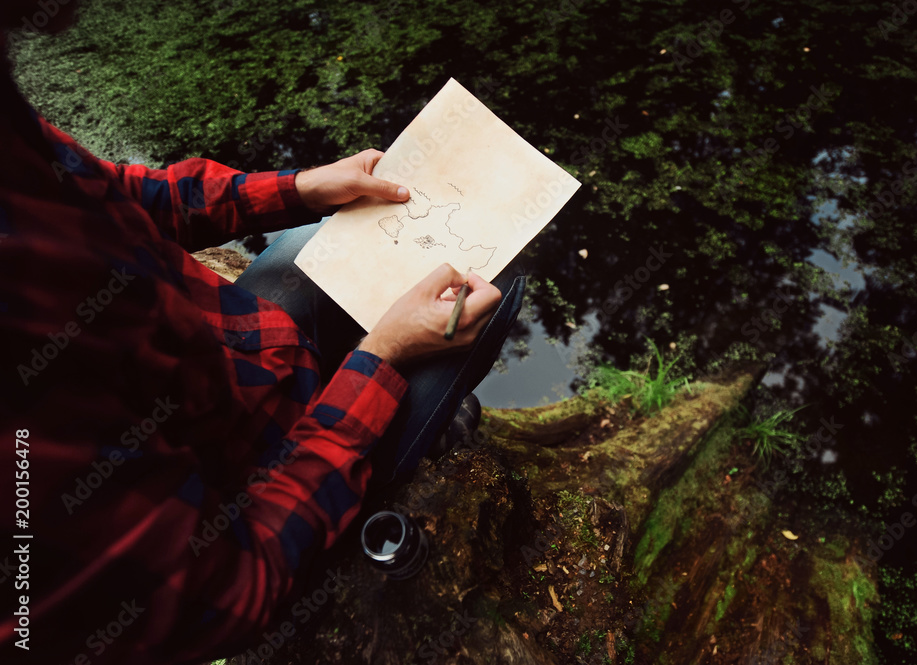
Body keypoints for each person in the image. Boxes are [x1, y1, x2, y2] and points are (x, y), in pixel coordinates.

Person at [0, 3, 525, 663]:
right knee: (497, 289)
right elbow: (222, 592)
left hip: (245, 359)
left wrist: (300, 189)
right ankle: (410, 451)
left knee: (321, 235)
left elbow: (117, 194)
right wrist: (383, 358)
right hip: (263, 496)